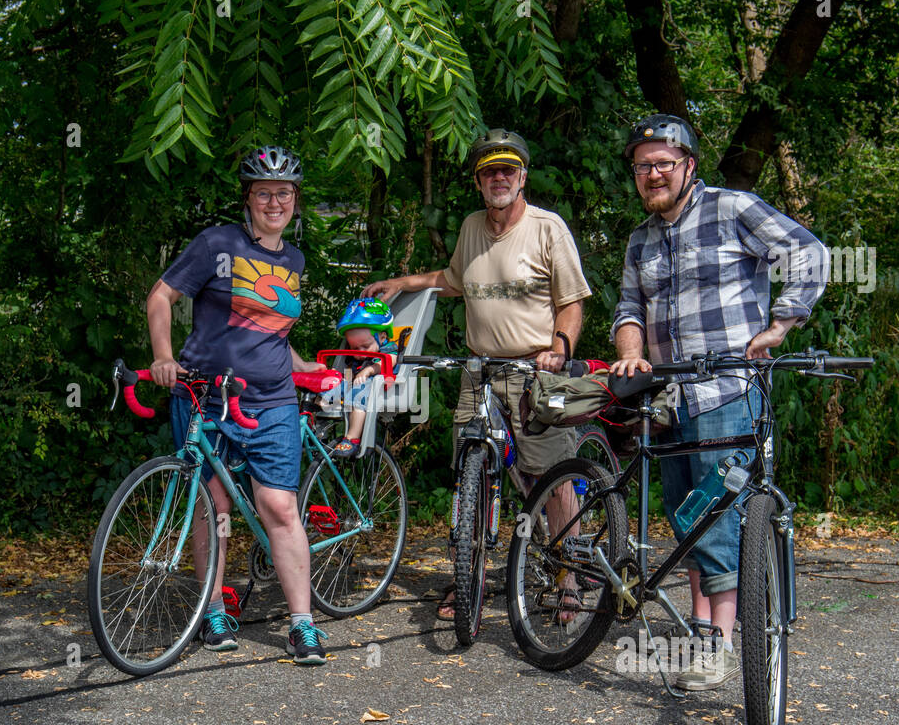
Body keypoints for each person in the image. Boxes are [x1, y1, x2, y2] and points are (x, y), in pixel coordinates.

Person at [609, 113, 828, 689]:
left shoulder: (734, 209)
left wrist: (781, 325)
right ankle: (702, 630)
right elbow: (628, 311)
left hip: (729, 390)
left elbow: (808, 252)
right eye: (642, 166)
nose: (652, 174)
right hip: (669, 397)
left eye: (662, 163)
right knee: (687, 522)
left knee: (720, 518)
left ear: (688, 164)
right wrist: (631, 352)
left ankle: (719, 646)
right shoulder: (640, 240)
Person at [364, 128, 591, 621]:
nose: (499, 177)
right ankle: (467, 579)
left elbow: (571, 303)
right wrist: (403, 283)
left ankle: (567, 578)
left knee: (548, 476)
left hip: (533, 370)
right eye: (490, 171)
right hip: (478, 371)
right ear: (478, 181)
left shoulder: (547, 227)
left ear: (522, 176)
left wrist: (559, 348)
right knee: (472, 471)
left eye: (508, 169)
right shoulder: (471, 226)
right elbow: (453, 279)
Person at [145, 145, 330, 665]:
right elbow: (160, 297)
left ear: (295, 200)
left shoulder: (293, 259)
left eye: (285, 193)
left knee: (280, 507)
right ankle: (214, 611)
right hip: (207, 396)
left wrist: (303, 366)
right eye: (264, 192)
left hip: (272, 401)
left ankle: (302, 624)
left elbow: (270, 330)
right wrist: (163, 355)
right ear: (248, 198)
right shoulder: (214, 244)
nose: (275, 202)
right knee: (214, 507)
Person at [323, 297, 400, 458]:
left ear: (383, 337)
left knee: (358, 399)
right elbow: (348, 371)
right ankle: (318, 429)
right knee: (324, 390)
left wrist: (369, 370)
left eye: (365, 346)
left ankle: (352, 438)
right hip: (353, 385)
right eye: (354, 347)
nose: (359, 353)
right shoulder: (356, 356)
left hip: (375, 387)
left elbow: (390, 362)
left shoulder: (388, 349)